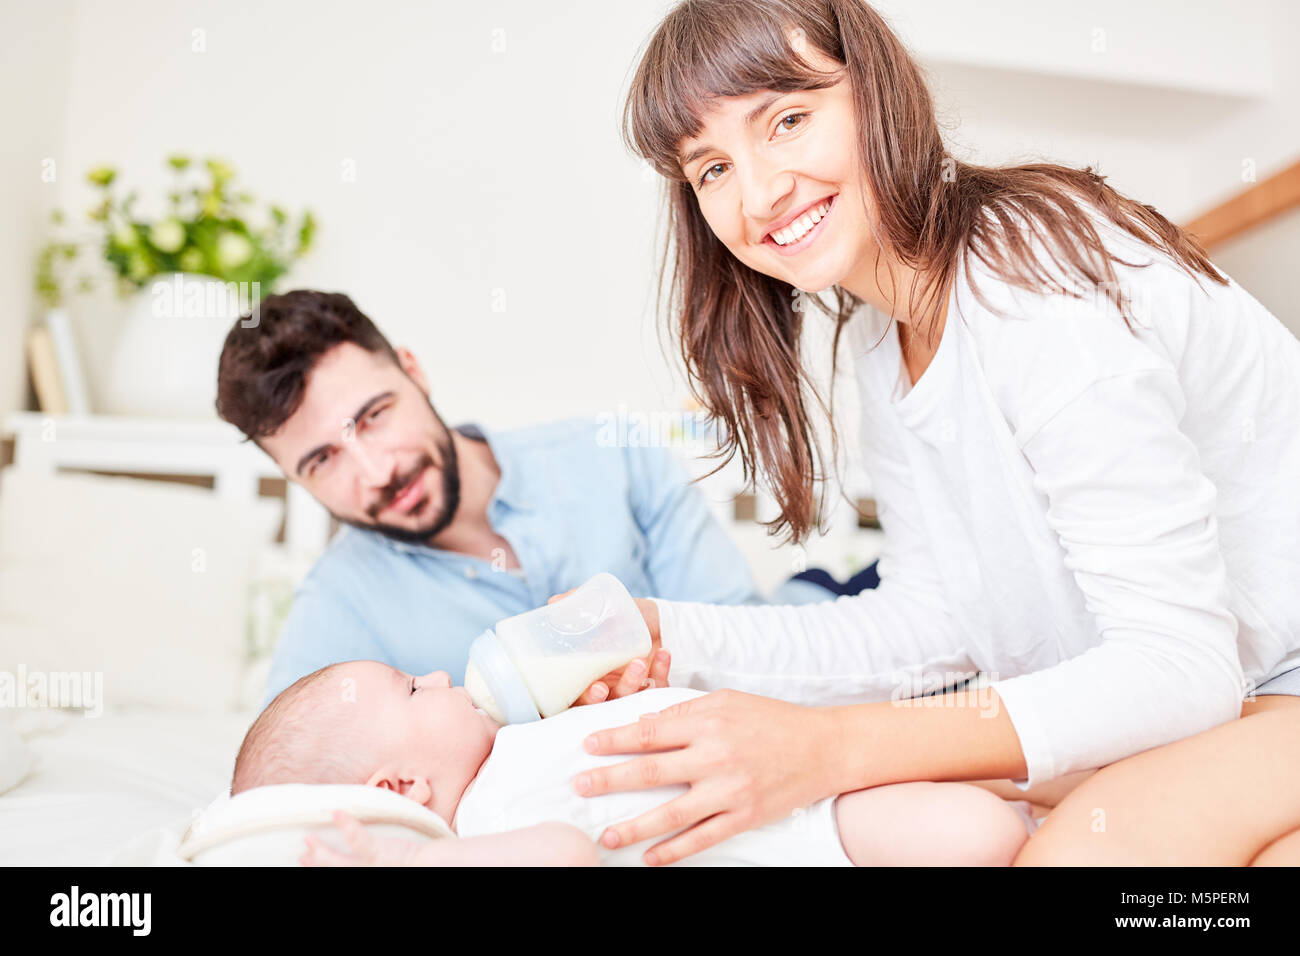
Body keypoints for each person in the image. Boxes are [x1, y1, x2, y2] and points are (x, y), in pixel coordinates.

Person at [556, 0, 1300, 867]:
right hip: (1231, 701)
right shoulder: (883, 335)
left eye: (787, 120)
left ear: (876, 93)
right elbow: (931, 619)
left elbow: (1178, 667)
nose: (758, 193)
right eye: (712, 169)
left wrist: (831, 746)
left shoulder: (1033, 280)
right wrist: (669, 637)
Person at [214, 290, 853, 709]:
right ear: (296, 479)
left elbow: (744, 635)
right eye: (323, 460)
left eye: (375, 416)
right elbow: (290, 784)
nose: (376, 471)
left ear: (413, 370)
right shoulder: (338, 608)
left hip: (821, 618)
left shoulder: (613, 457)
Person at [232, 661, 1036, 866]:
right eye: (413, 688)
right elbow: (569, 850)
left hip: (796, 754)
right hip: (795, 832)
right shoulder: (478, 832)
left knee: (1000, 757)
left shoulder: (505, 747)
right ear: (401, 788)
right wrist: (416, 861)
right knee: (976, 832)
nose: (439, 677)